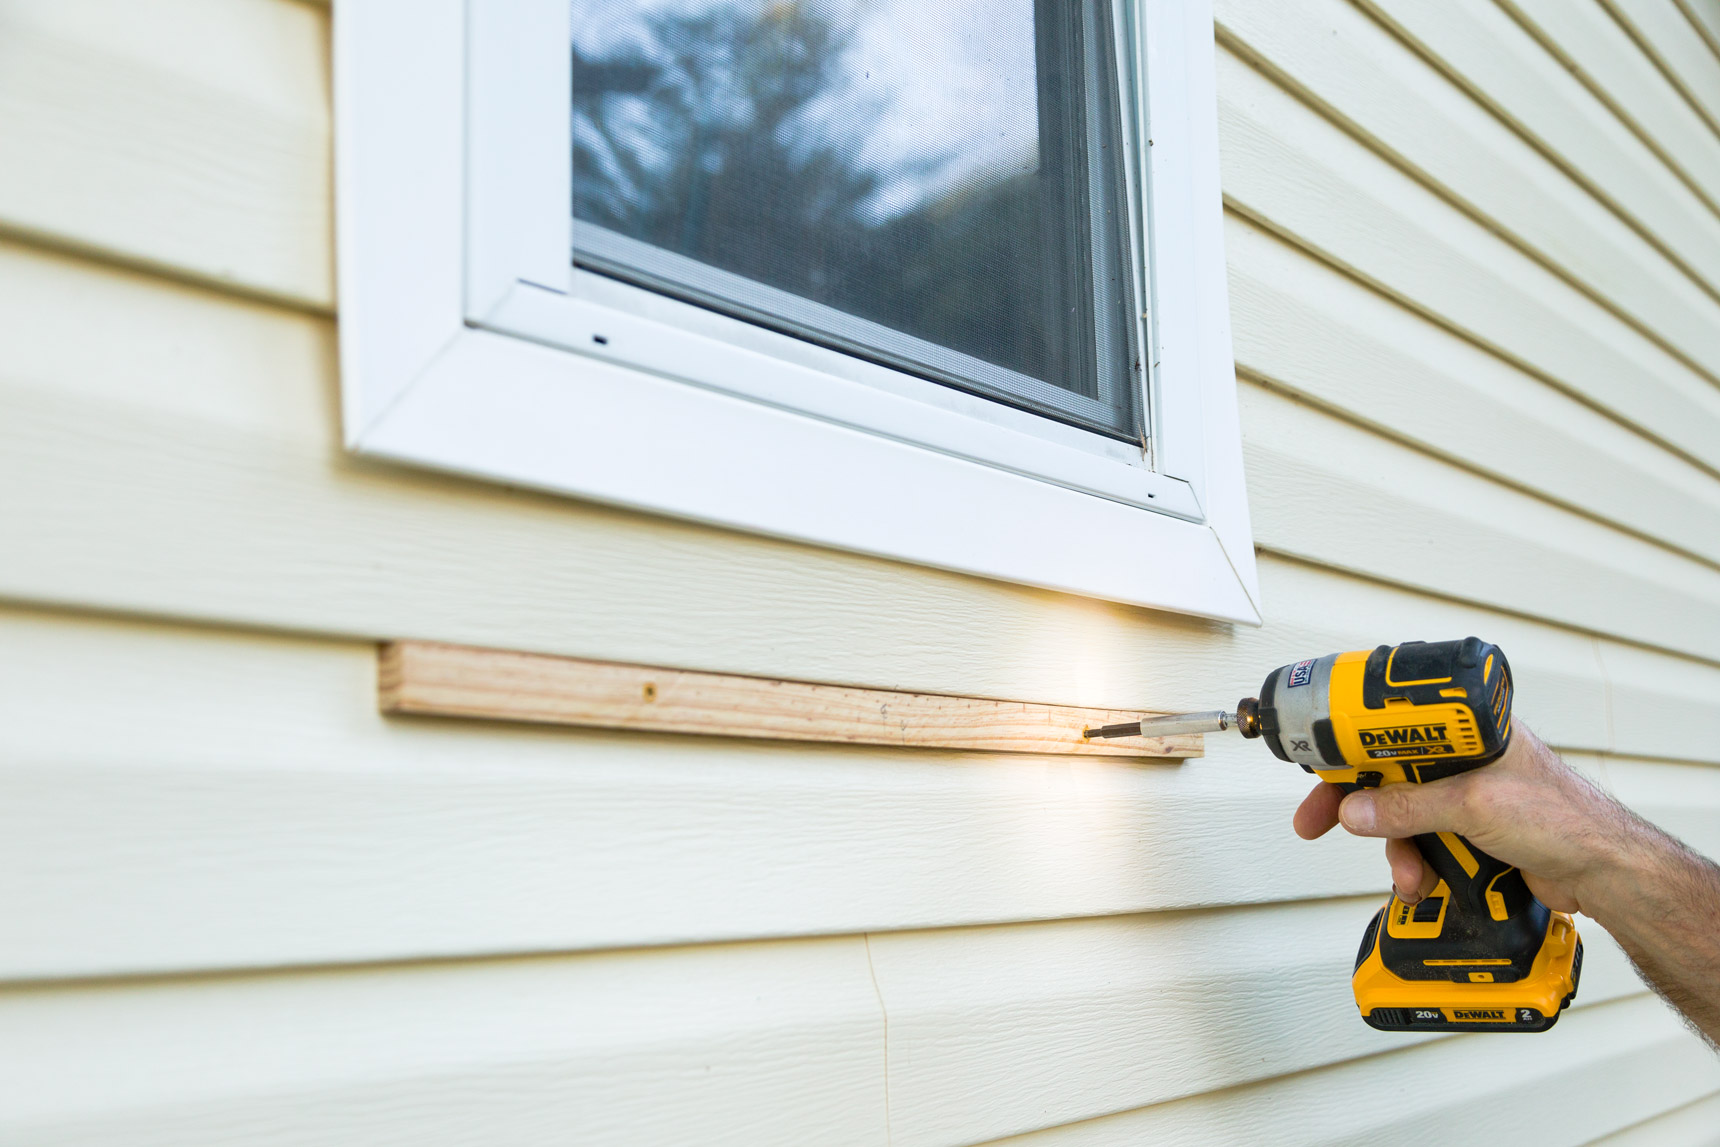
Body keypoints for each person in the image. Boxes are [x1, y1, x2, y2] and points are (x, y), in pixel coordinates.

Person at [1292, 722, 1720, 1046]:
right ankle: (1509, 923)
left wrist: (1592, 860)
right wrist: (1594, 859)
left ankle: (1503, 932)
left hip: (1499, 920)